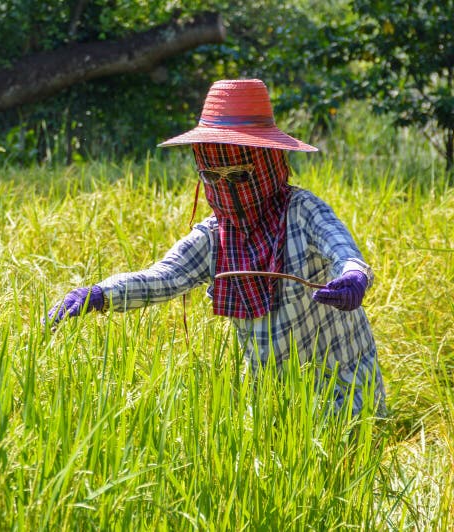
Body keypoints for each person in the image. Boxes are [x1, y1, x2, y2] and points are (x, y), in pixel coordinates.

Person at [45, 79, 386, 415]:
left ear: (269, 165)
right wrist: (101, 293)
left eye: (239, 175)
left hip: (346, 389)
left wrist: (354, 277)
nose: (227, 188)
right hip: (277, 402)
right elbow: (165, 277)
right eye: (212, 177)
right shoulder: (215, 237)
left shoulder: (302, 211)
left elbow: (341, 248)